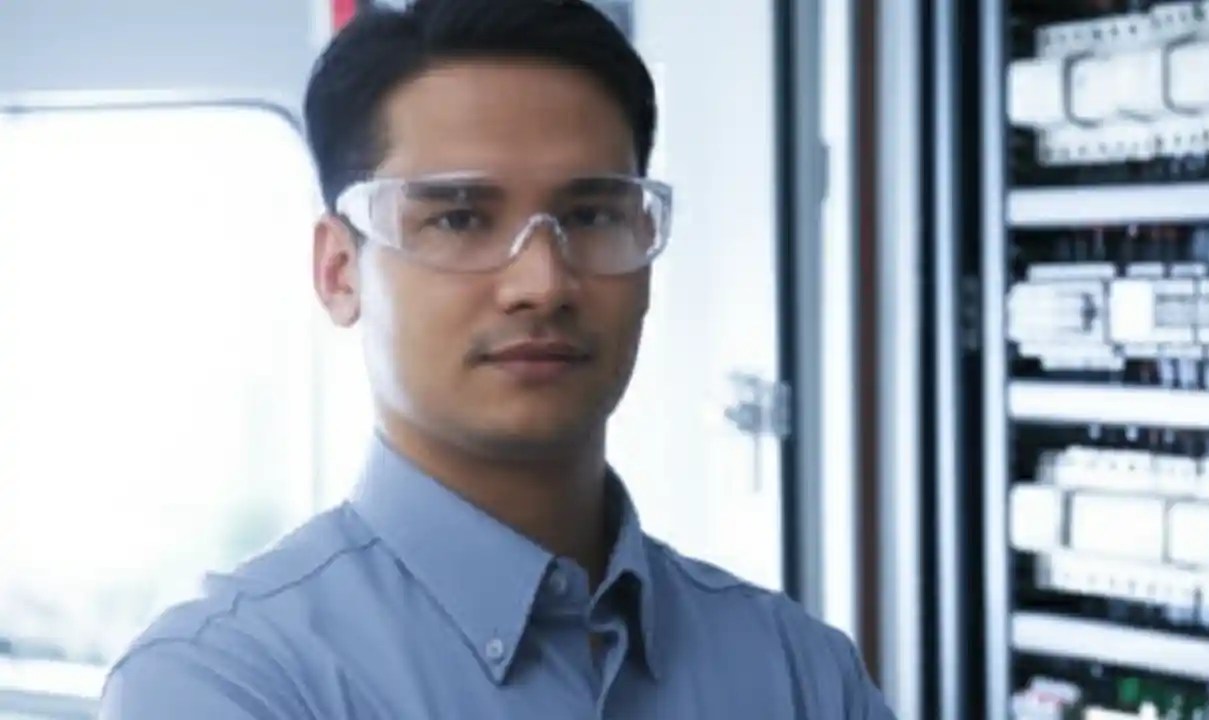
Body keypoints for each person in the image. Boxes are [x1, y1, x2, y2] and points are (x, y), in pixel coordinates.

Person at [98, 0, 895, 717]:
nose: (542, 283)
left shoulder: (798, 670)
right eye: (457, 219)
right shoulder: (225, 684)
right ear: (340, 271)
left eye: (589, 214)